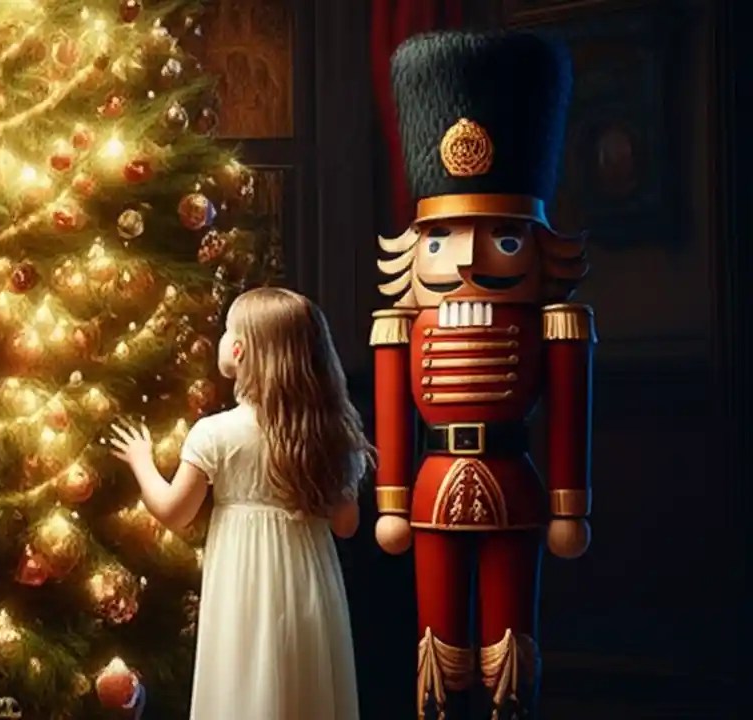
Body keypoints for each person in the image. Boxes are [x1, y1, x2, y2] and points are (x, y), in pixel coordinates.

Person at [370, 30, 593, 719]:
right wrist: (390, 501)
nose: (465, 261)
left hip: (517, 484)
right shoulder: (399, 327)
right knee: (436, 646)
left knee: (509, 643)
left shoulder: (556, 325)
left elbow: (566, 414)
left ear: (537, 244)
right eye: (439, 239)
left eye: (499, 238)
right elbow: (392, 414)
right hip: (432, 487)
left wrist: (568, 505)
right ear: (414, 247)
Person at [110, 286, 369, 720]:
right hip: (308, 580)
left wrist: (141, 462)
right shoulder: (331, 436)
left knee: (244, 681)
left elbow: (175, 511)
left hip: (241, 579)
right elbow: (346, 525)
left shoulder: (216, 433)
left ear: (240, 348)